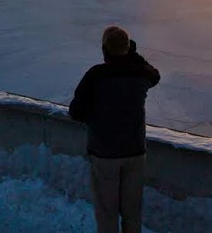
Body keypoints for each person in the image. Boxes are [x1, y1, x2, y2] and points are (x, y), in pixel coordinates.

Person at [68, 24, 161, 233]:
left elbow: (76, 112)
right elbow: (155, 75)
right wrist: (132, 55)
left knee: (107, 213)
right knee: (132, 213)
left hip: (104, 154)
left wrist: (97, 118)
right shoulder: (140, 75)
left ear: (104, 50)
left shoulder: (96, 76)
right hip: (135, 152)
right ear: (128, 48)